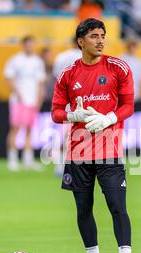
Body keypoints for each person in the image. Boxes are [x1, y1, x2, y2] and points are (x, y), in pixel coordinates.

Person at [51, 18, 135, 253]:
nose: (100, 41)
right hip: (78, 153)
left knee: (117, 207)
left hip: (109, 150)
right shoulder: (67, 74)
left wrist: (110, 118)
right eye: (94, 36)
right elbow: (55, 112)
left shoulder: (118, 68)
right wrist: (73, 116)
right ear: (80, 41)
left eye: (103, 35)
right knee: (83, 209)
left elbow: (128, 105)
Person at [4, 35, 46, 171]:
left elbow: (40, 82)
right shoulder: (15, 60)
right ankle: (12, 159)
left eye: (32, 44)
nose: (30, 46)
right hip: (18, 100)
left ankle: (28, 160)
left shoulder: (37, 62)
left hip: (32, 101)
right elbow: (9, 79)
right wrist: (18, 93)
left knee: (29, 129)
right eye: (27, 44)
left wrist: (39, 97)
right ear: (23, 45)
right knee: (15, 128)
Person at [51, 38, 82, 177]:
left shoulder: (61, 56)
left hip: (65, 98)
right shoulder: (84, 57)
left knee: (66, 134)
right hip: (81, 99)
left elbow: (55, 77)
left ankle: (59, 165)